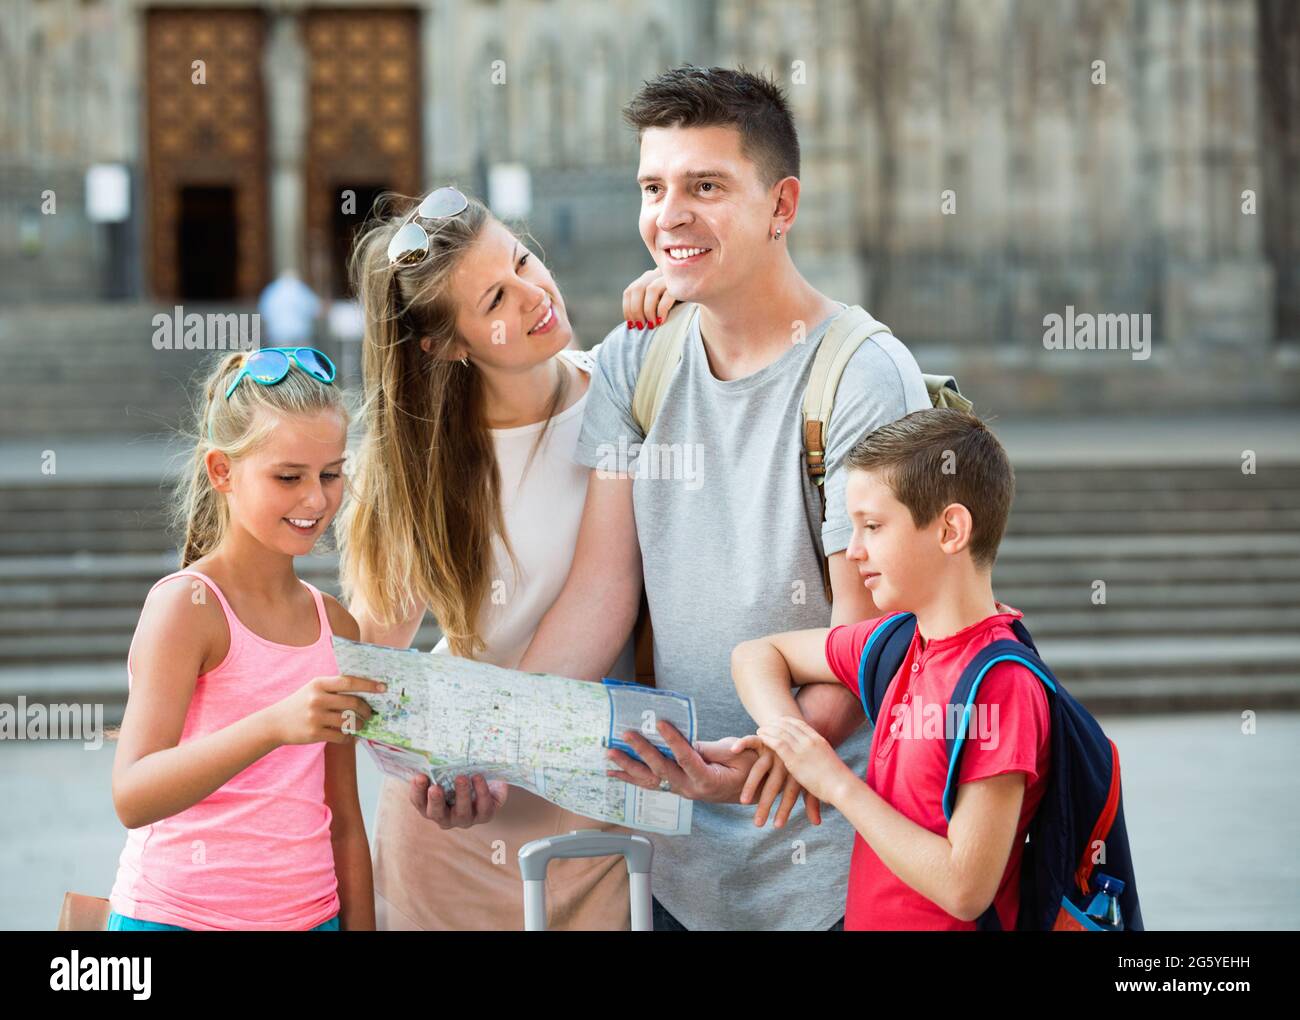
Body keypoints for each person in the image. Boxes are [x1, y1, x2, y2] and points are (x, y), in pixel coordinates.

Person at [511, 66, 932, 930]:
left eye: (706, 186)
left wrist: (758, 761)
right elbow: (602, 589)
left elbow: (864, 641)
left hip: (833, 864)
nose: (670, 215)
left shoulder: (862, 376)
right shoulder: (635, 359)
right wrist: (494, 738)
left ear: (782, 205)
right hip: (677, 866)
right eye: (653, 187)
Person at [336, 186, 672, 930]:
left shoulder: (626, 395)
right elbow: (373, 647)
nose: (533, 294)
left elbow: (603, 593)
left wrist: (690, 302)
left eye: (521, 261)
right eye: (494, 298)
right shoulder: (421, 459)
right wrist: (427, 758)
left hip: (597, 811)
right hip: (457, 819)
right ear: (446, 345)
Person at [731, 409, 1052, 930]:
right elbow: (756, 654)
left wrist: (833, 781)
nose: (854, 551)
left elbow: (965, 889)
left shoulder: (1000, 684)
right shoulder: (897, 642)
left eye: (873, 527)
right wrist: (787, 735)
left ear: (950, 529)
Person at [107, 346, 385, 930]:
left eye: (331, 474)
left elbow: (344, 819)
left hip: (313, 919)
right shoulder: (188, 607)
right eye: (288, 477)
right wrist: (273, 725)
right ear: (222, 472)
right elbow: (133, 794)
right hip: (177, 918)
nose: (317, 499)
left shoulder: (337, 626)